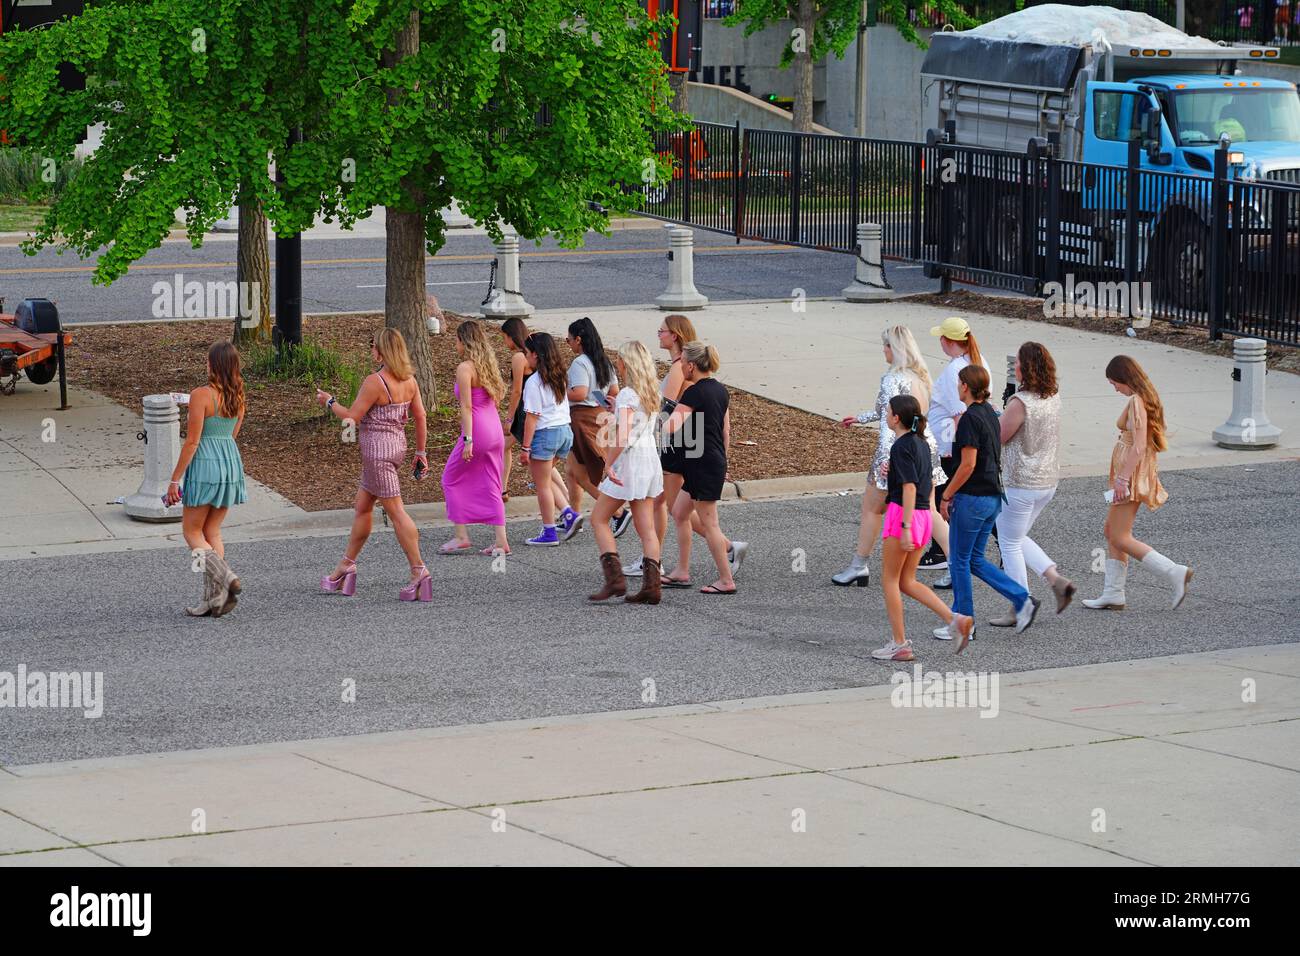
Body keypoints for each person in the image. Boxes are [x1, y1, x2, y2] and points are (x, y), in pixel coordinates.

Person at [623, 314, 748, 579]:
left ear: (675, 336)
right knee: (668, 505)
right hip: (694, 444)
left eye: (662, 331)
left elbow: (665, 410)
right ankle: (658, 559)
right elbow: (722, 423)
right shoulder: (705, 379)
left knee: (667, 504)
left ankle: (662, 558)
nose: (659, 334)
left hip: (681, 443)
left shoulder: (681, 368)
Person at [315, 329, 431, 601]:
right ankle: (346, 565)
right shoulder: (410, 381)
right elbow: (421, 417)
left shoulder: (375, 382)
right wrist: (421, 452)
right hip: (396, 448)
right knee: (363, 506)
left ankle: (419, 571)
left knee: (397, 512)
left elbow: (351, 418)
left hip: (377, 454)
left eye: (374, 347)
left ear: (382, 351)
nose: (372, 351)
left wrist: (330, 401)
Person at [833, 326, 949, 588]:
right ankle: (956, 564)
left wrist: (887, 460)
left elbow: (890, 423)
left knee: (872, 509)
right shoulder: (920, 377)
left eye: (885, 346)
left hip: (900, 448)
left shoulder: (892, 378)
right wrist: (861, 418)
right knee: (928, 509)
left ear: (893, 348)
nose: (883, 350)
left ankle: (859, 565)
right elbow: (893, 412)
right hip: (926, 445)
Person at [936, 365, 1040, 643]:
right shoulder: (991, 413)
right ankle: (1022, 598)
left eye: (959, 383)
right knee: (975, 560)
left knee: (958, 560)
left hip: (972, 499)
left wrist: (947, 494)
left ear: (966, 387)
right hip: (993, 497)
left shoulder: (970, 418)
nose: (957, 387)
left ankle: (964, 623)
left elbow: (968, 464)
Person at [1082, 356, 1193, 611]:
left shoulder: (1135, 401)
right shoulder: (1144, 397)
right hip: (1132, 473)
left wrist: (1122, 479)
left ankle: (1173, 572)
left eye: (1114, 383)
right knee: (1112, 530)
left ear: (1125, 378)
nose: (1115, 388)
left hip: (1129, 475)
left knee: (1119, 535)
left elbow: (1139, 444)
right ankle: (1113, 593)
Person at [871, 395, 975, 660]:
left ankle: (900, 643)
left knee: (890, 580)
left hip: (904, 516)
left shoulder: (900, 447)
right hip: (923, 518)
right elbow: (918, 481)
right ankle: (955, 620)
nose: (886, 415)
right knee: (907, 581)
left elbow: (909, 487)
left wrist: (904, 526)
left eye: (889, 411)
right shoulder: (921, 443)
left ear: (896, 418)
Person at [991, 342, 1075, 624]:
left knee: (1009, 543)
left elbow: (1000, 437)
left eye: (1017, 362)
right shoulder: (1053, 397)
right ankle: (1055, 580)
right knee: (1017, 536)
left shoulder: (1020, 402)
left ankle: (1020, 604)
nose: (1013, 366)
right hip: (1047, 481)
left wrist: (992, 418)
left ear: (1025, 368)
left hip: (1020, 482)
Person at [165, 341, 247, 617]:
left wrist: (174, 480)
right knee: (212, 532)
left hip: (205, 466)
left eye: (208, 360)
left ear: (213, 364)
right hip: (230, 464)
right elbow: (232, 433)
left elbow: (192, 442)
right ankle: (213, 599)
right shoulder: (239, 393)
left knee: (191, 532)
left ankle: (226, 577)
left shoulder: (201, 395)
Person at [587, 341, 666, 604]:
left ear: (626, 363)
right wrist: (616, 410)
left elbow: (622, 435)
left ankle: (615, 580)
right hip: (649, 459)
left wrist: (609, 463)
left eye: (619, 359)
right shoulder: (650, 393)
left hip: (630, 460)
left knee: (598, 519)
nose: (617, 363)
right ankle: (652, 587)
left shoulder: (627, 395)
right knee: (647, 528)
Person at [662, 342, 738, 595]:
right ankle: (681, 571)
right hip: (707, 461)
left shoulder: (694, 393)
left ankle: (726, 580)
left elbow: (671, 426)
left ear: (692, 366)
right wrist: (723, 461)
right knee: (680, 512)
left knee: (710, 524)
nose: (680, 365)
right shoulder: (720, 390)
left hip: (702, 463)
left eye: (683, 361)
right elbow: (725, 431)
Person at [920, 316, 990, 586]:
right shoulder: (977, 360)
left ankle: (951, 557)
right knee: (947, 500)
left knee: (947, 501)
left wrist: (959, 450)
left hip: (950, 446)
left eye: (941, 337)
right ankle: (941, 551)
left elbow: (960, 414)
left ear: (948, 341)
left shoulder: (955, 372)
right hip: (954, 444)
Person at [440, 320, 509, 555]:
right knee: (492, 482)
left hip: (477, 430)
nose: (455, 344)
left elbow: (467, 408)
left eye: (457, 339)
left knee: (450, 478)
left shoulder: (465, 368)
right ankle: (501, 542)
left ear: (464, 341)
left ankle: (461, 536)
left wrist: (468, 439)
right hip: (494, 429)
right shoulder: (488, 364)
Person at [561, 316, 620, 541]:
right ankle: (572, 516)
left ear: (578, 339)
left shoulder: (580, 363)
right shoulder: (604, 361)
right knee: (571, 471)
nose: (569, 345)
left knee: (583, 474)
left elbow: (579, 393)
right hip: (600, 417)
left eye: (568, 340)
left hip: (581, 419)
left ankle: (617, 512)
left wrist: (555, 394)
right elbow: (614, 391)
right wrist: (601, 400)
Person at [500, 318, 567, 511]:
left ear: (512, 336)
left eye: (505, 337)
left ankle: (502, 489)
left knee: (504, 447)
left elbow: (516, 391)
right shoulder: (531, 356)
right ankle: (565, 498)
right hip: (536, 410)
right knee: (541, 464)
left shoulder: (519, 358)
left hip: (526, 412)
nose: (505, 343)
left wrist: (509, 417)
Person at [519, 332, 575, 547]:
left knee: (541, 485)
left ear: (535, 354)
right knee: (547, 478)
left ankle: (549, 531)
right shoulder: (560, 375)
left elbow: (532, 418)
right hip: (564, 432)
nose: (525, 357)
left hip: (545, 434)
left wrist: (525, 447)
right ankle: (568, 514)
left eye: (526, 353)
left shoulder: (534, 382)